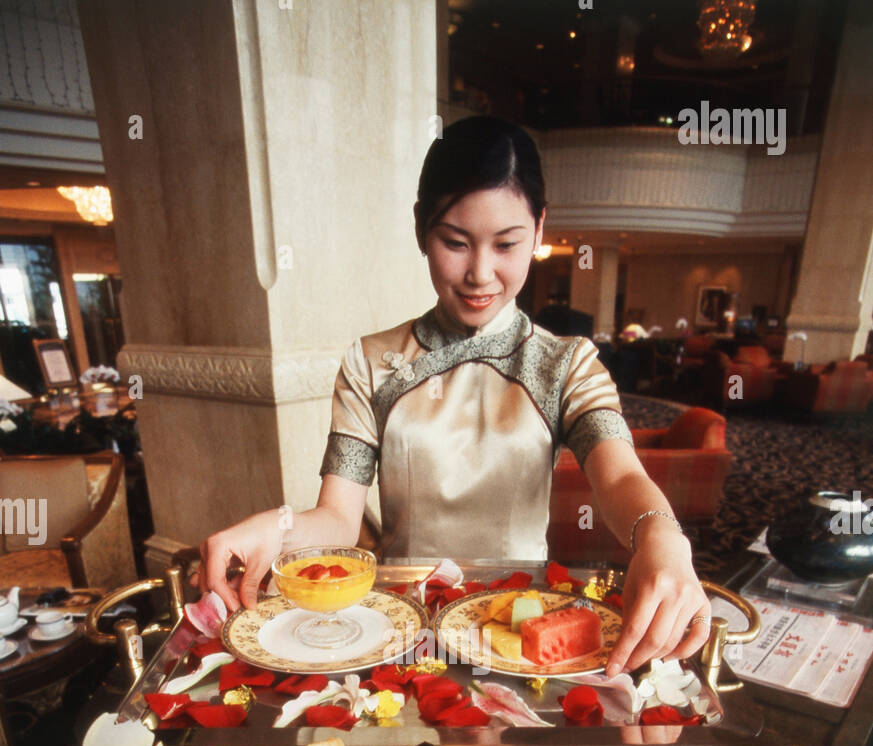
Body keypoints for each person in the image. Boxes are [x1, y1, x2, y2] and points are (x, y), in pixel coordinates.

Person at [199, 117, 710, 676]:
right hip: (401, 628)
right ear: (421, 229)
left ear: (540, 231)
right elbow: (339, 520)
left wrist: (661, 533)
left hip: (520, 630)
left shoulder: (566, 364)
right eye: (455, 242)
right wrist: (278, 528)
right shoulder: (371, 362)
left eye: (507, 244)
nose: (480, 274)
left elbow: (617, 478)